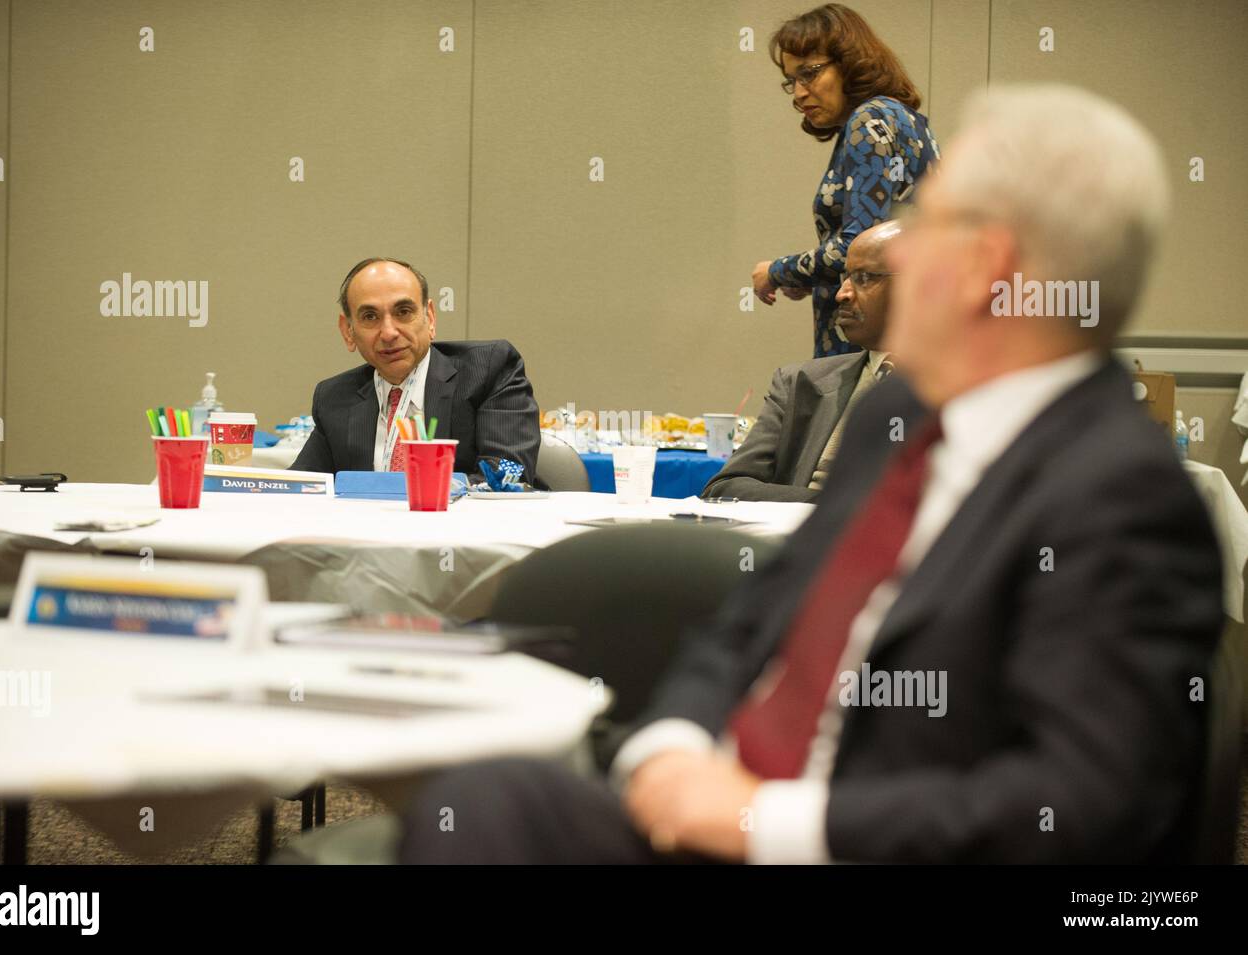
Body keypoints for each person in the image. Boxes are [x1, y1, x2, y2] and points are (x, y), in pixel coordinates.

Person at [396, 85, 1223, 864]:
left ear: (987, 265)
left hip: (857, 839)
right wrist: (671, 748)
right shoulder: (888, 425)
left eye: (923, 221)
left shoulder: (1124, 496)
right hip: (723, 799)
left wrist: (771, 821)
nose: (867, 263)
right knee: (483, 802)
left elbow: (1083, 802)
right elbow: (751, 623)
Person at [750, 4, 939, 358]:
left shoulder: (867, 121)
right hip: (911, 337)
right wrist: (810, 277)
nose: (798, 93)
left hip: (868, 348)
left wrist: (776, 272)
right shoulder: (909, 122)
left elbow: (859, 253)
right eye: (792, 80)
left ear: (850, 63)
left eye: (809, 73)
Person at [290, 258, 542, 484]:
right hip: (366, 533)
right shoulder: (335, 397)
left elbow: (510, 470)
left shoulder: (488, 369)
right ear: (348, 331)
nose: (389, 333)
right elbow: (302, 485)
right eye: (370, 316)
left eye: (403, 312)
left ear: (430, 318)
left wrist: (424, 490)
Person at [704, 221, 901, 503]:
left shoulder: (970, 394)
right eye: (844, 278)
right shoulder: (800, 382)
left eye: (864, 278)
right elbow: (725, 488)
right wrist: (832, 508)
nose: (840, 294)